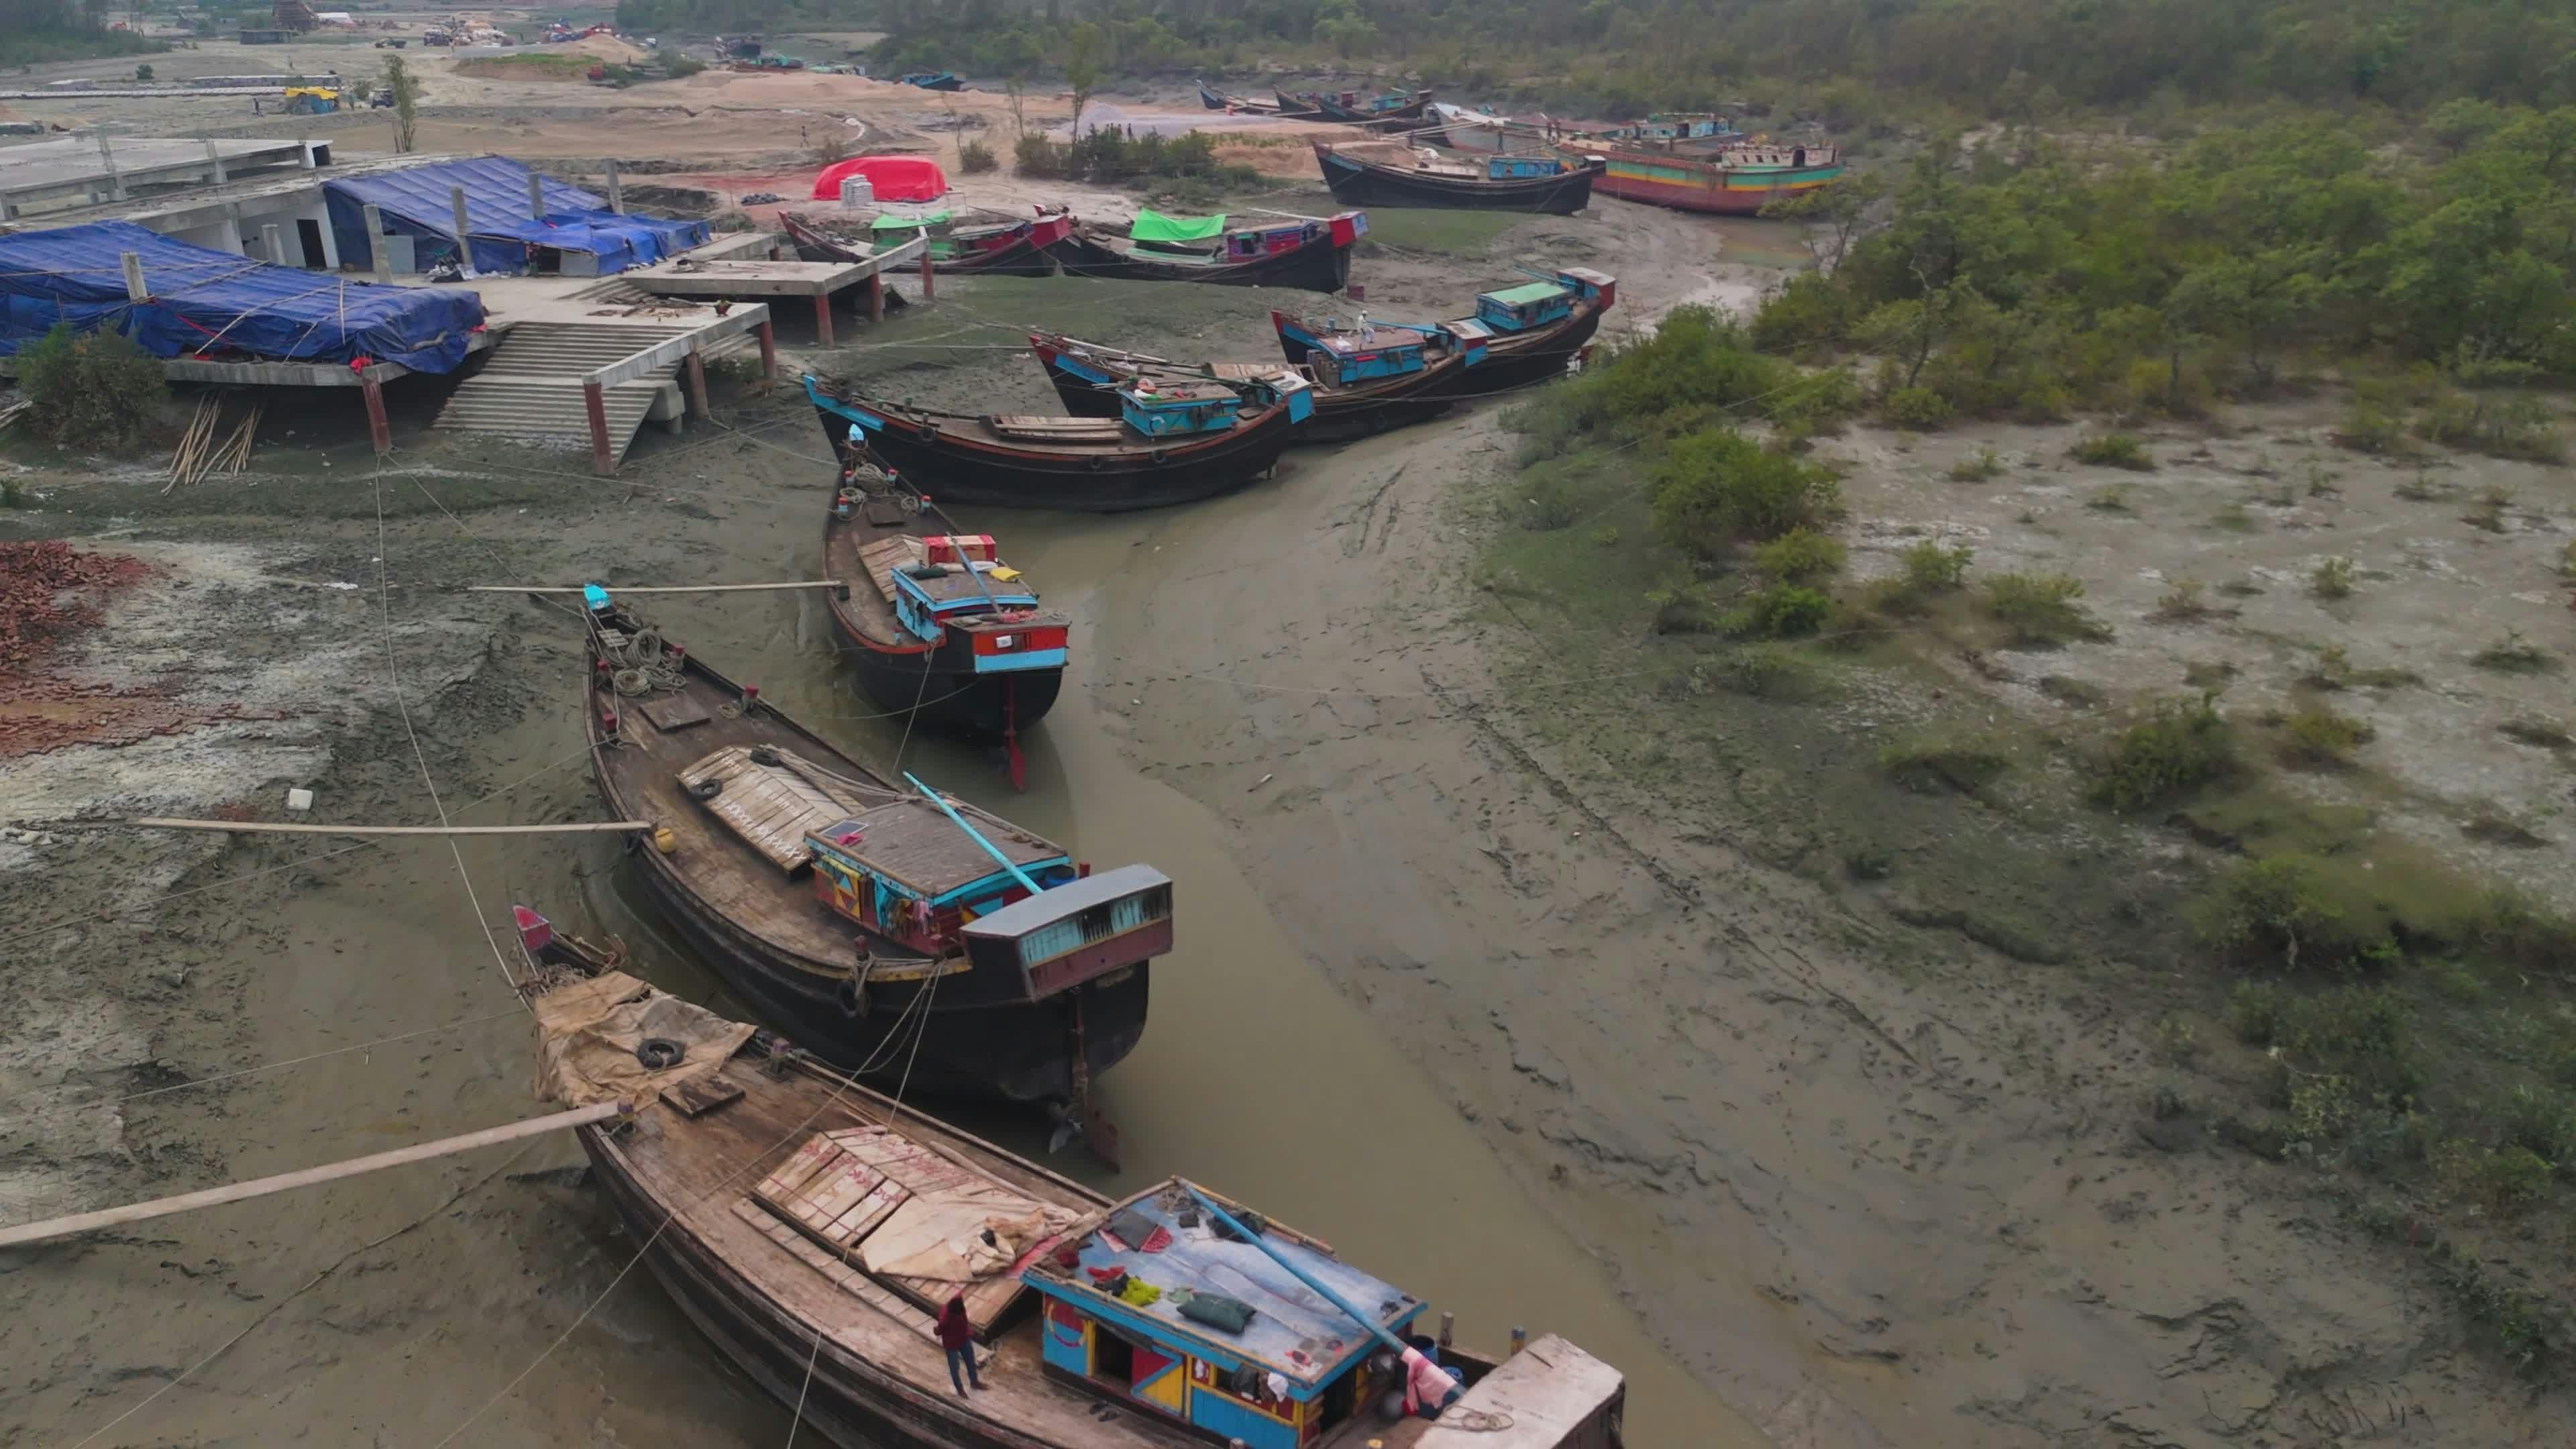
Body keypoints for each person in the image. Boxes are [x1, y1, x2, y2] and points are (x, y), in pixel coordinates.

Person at [937, 1293, 981, 1395]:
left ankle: (974, 1382)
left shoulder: (960, 1306)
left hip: (964, 1339)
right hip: (951, 1344)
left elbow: (965, 1320)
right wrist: (936, 1330)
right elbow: (938, 1331)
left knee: (971, 1362)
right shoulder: (945, 1318)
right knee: (955, 1368)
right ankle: (960, 1389)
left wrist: (968, 1331)